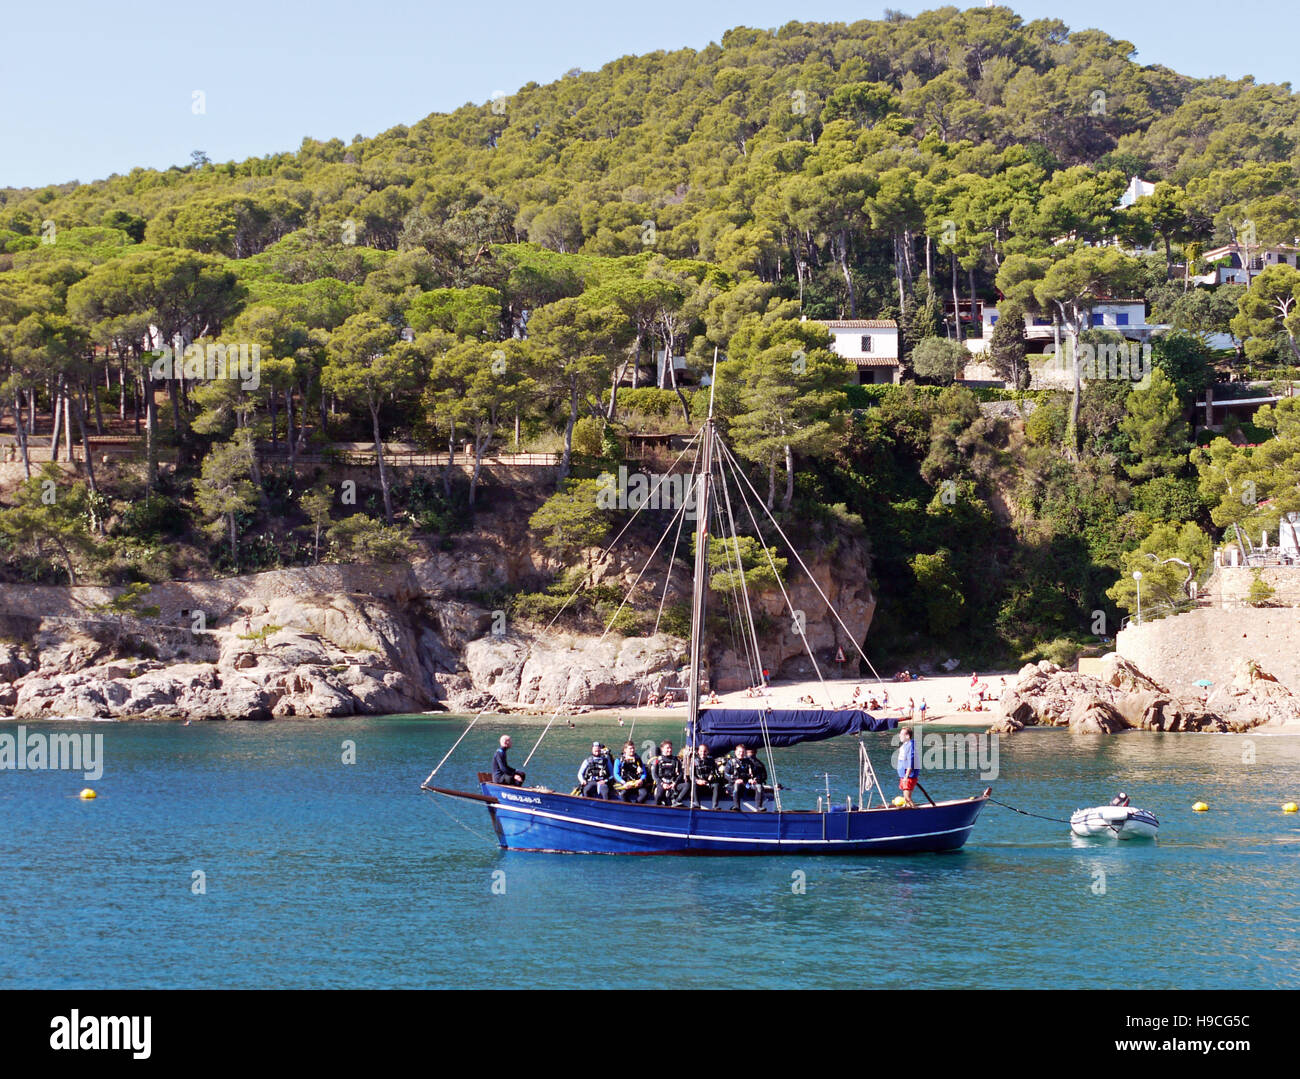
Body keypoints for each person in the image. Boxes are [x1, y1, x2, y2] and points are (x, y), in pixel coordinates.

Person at [724, 743, 765, 811]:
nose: (741, 753)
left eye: (743, 752)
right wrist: (735, 780)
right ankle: (736, 806)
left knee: (759, 786)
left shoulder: (749, 762)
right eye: (739, 752)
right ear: (735, 752)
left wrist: (754, 780)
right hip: (733, 786)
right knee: (737, 785)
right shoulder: (730, 762)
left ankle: (759, 807)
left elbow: (757, 774)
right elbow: (726, 774)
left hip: (746, 785)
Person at [684, 743, 723, 809]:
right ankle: (696, 803)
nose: (703, 753)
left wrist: (712, 776)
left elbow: (717, 774)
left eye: (705, 751)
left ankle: (715, 806)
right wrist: (697, 780)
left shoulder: (711, 761)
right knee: (693, 784)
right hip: (698, 784)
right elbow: (691, 775)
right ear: (698, 751)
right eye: (701, 751)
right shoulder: (694, 761)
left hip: (708, 784)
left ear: (707, 752)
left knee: (716, 785)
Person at [650, 740, 684, 805]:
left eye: (671, 748)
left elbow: (680, 773)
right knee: (659, 794)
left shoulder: (676, 760)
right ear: (662, 749)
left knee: (687, 785)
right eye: (667, 748)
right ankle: (657, 807)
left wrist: (675, 783)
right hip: (662, 783)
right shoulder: (657, 760)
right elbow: (654, 774)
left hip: (672, 783)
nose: (670, 749)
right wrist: (662, 784)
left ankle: (676, 801)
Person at [897, 727, 919, 808]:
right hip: (904, 776)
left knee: (907, 798)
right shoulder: (905, 745)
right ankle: (909, 810)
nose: (899, 735)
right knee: (906, 799)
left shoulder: (910, 746)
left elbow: (911, 761)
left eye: (902, 734)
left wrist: (906, 775)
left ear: (908, 736)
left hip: (908, 776)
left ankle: (916, 812)